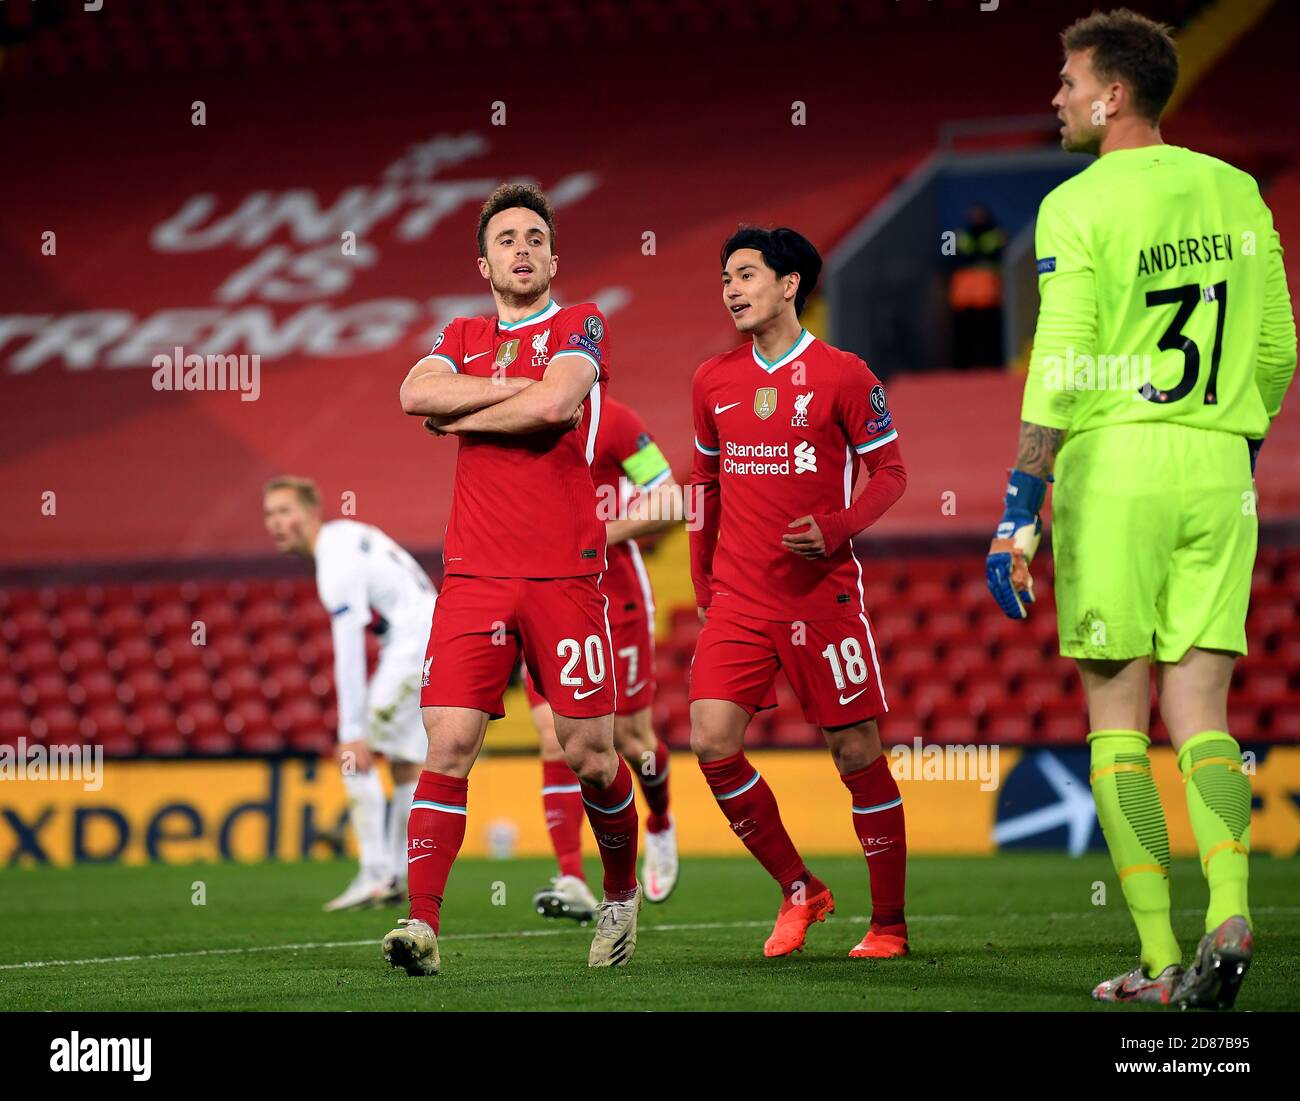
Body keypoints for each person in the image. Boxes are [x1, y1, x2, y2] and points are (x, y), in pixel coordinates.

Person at [985, 8, 1295, 1009]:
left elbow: (1061, 362)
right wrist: (1224, 442)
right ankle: (1233, 911)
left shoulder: (1076, 206)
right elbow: (1278, 352)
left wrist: (1019, 503)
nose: (1057, 98)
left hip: (1115, 465)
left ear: (1111, 93)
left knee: (1117, 717)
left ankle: (1163, 962)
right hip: (1218, 464)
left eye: (1068, 82)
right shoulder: (1237, 189)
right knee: (1201, 708)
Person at [383, 183, 641, 976]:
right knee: (450, 741)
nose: (522, 248)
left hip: (565, 574)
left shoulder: (580, 321)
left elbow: (560, 403)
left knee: (592, 755)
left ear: (553, 258)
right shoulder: (461, 330)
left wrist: (465, 413)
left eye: (535, 237)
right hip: (473, 576)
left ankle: (622, 895)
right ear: (485, 261)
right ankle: (422, 924)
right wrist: (511, 398)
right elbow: (413, 393)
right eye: (507, 239)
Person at [689, 225, 909, 960]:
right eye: (725, 277)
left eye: (745, 274)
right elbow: (706, 489)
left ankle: (889, 926)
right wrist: (702, 580)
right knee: (711, 742)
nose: (731, 288)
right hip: (740, 600)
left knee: (855, 752)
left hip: (822, 599)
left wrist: (840, 526)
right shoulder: (712, 380)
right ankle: (799, 889)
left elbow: (892, 474)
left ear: (789, 285)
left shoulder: (846, 374)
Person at [528, 395, 682, 920]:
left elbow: (669, 498)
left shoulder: (615, 419)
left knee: (631, 741)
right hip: (545, 597)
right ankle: (572, 877)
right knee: (555, 737)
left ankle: (659, 820)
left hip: (617, 596)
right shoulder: (518, 414)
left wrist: (599, 532)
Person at [263, 476, 435, 911]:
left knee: (353, 754)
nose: (277, 523)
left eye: (285, 511)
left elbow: (348, 648)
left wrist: (351, 728)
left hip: (413, 643)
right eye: (269, 514)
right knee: (405, 764)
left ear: (310, 511)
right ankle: (395, 875)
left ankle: (376, 874)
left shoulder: (333, 559)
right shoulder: (346, 535)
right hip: (429, 634)